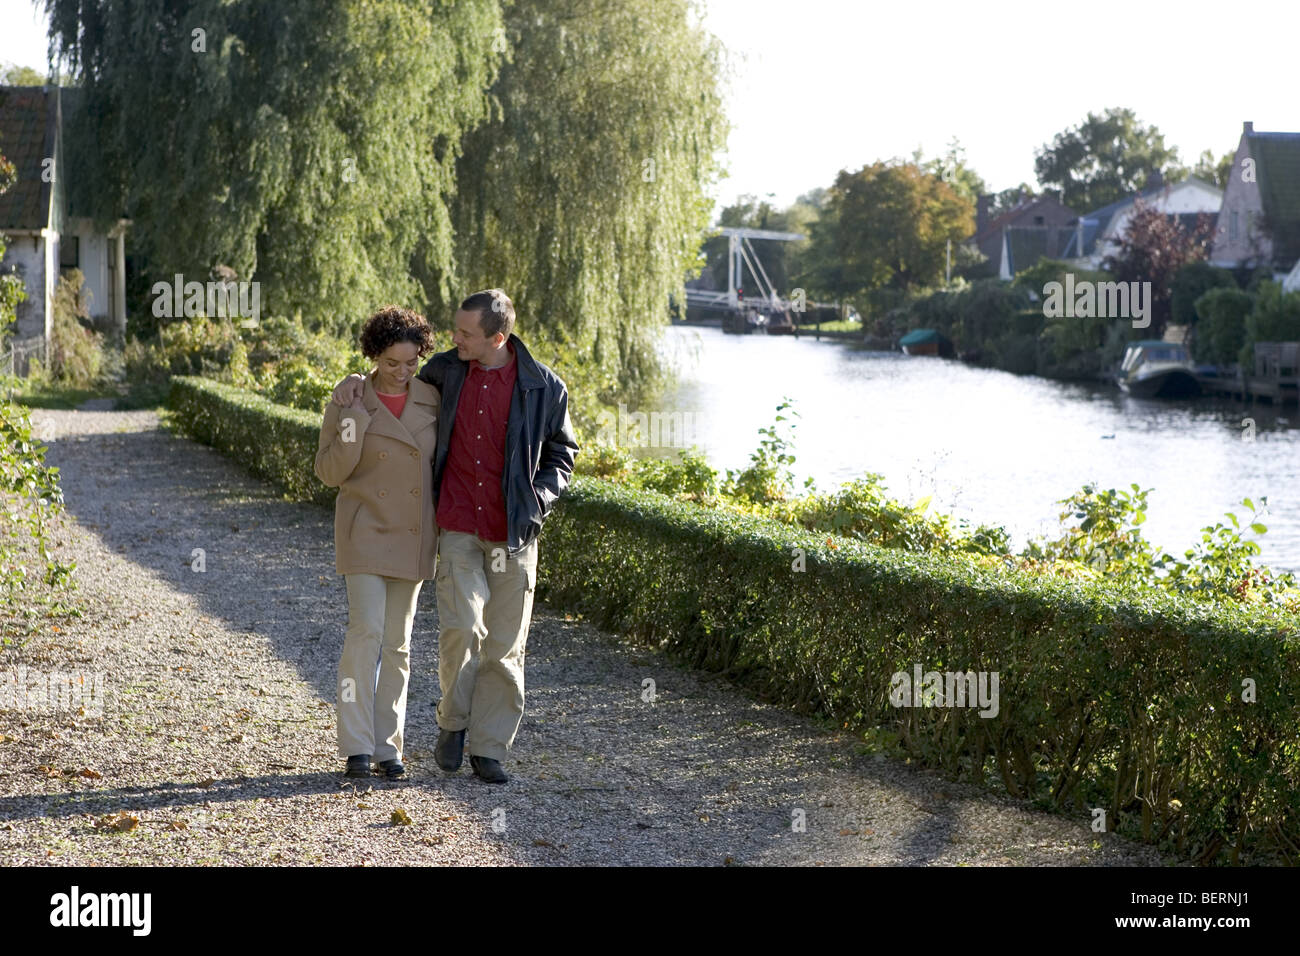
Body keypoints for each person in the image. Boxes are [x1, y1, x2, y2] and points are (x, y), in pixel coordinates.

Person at [332, 289, 578, 784]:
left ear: (498, 337)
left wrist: (538, 500)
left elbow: (563, 453)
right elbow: (390, 384)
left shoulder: (544, 387)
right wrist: (352, 385)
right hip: (460, 525)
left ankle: (489, 749)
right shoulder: (445, 372)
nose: (454, 338)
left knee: (506, 647)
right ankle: (451, 720)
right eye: (456, 330)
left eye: (465, 333)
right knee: (461, 629)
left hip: (514, 532)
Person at [315, 306, 440, 780]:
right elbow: (328, 472)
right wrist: (355, 422)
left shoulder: (432, 400)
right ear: (373, 355)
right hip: (364, 530)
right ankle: (356, 746)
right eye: (392, 363)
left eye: (411, 363)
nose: (403, 372)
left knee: (399, 644)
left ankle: (390, 749)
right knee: (365, 635)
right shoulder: (350, 399)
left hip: (412, 534)